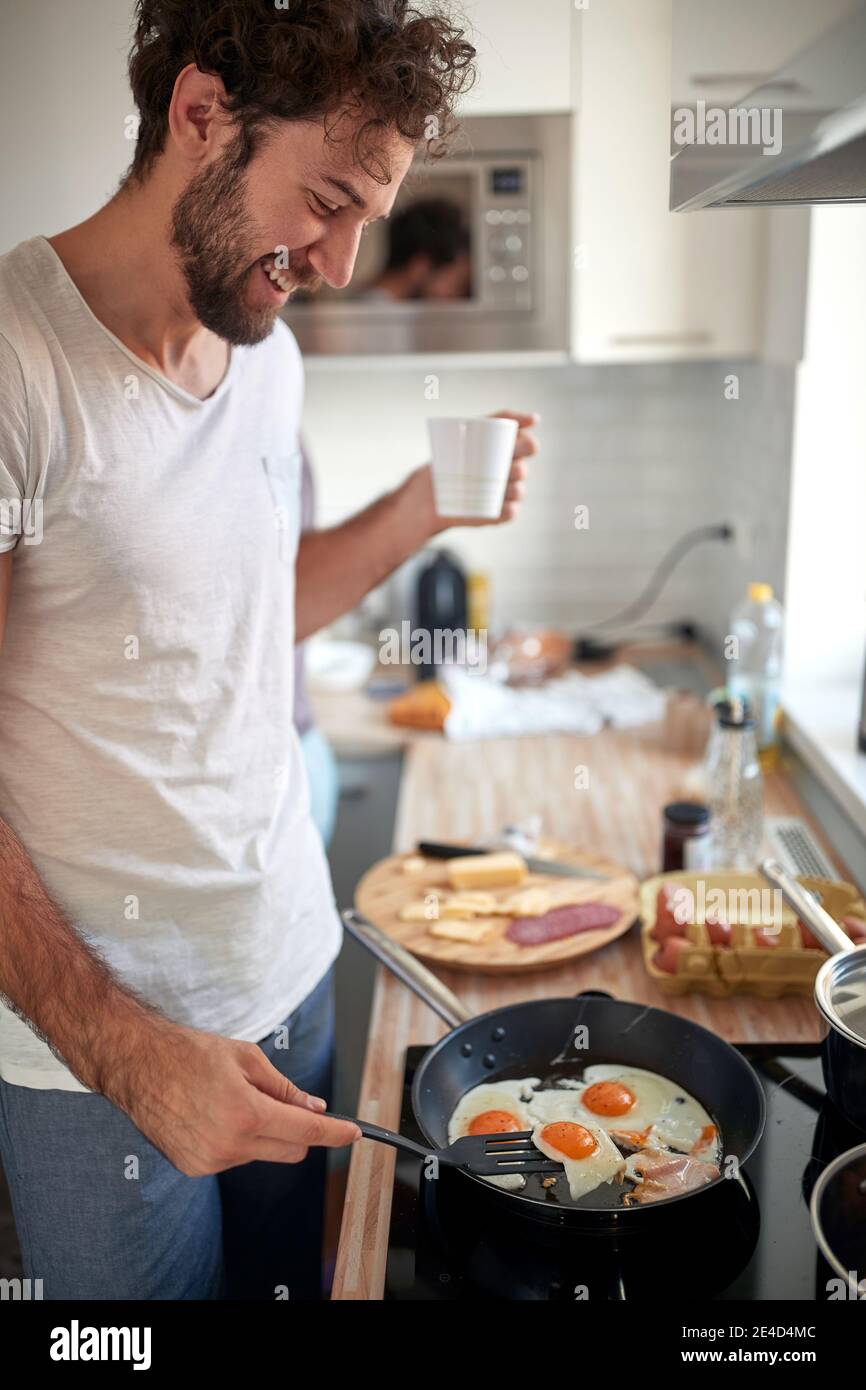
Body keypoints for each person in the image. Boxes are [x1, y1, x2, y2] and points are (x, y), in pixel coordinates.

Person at [0, 0, 537, 1300]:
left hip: (293, 979)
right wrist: (133, 1055)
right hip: (100, 1058)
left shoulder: (267, 353)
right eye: (330, 200)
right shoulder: (21, 363)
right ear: (199, 118)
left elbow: (253, 611)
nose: (344, 260)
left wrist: (426, 503)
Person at [359, 197, 472, 302]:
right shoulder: (380, 314)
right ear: (421, 266)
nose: (458, 296)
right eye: (458, 284)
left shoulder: (366, 301)